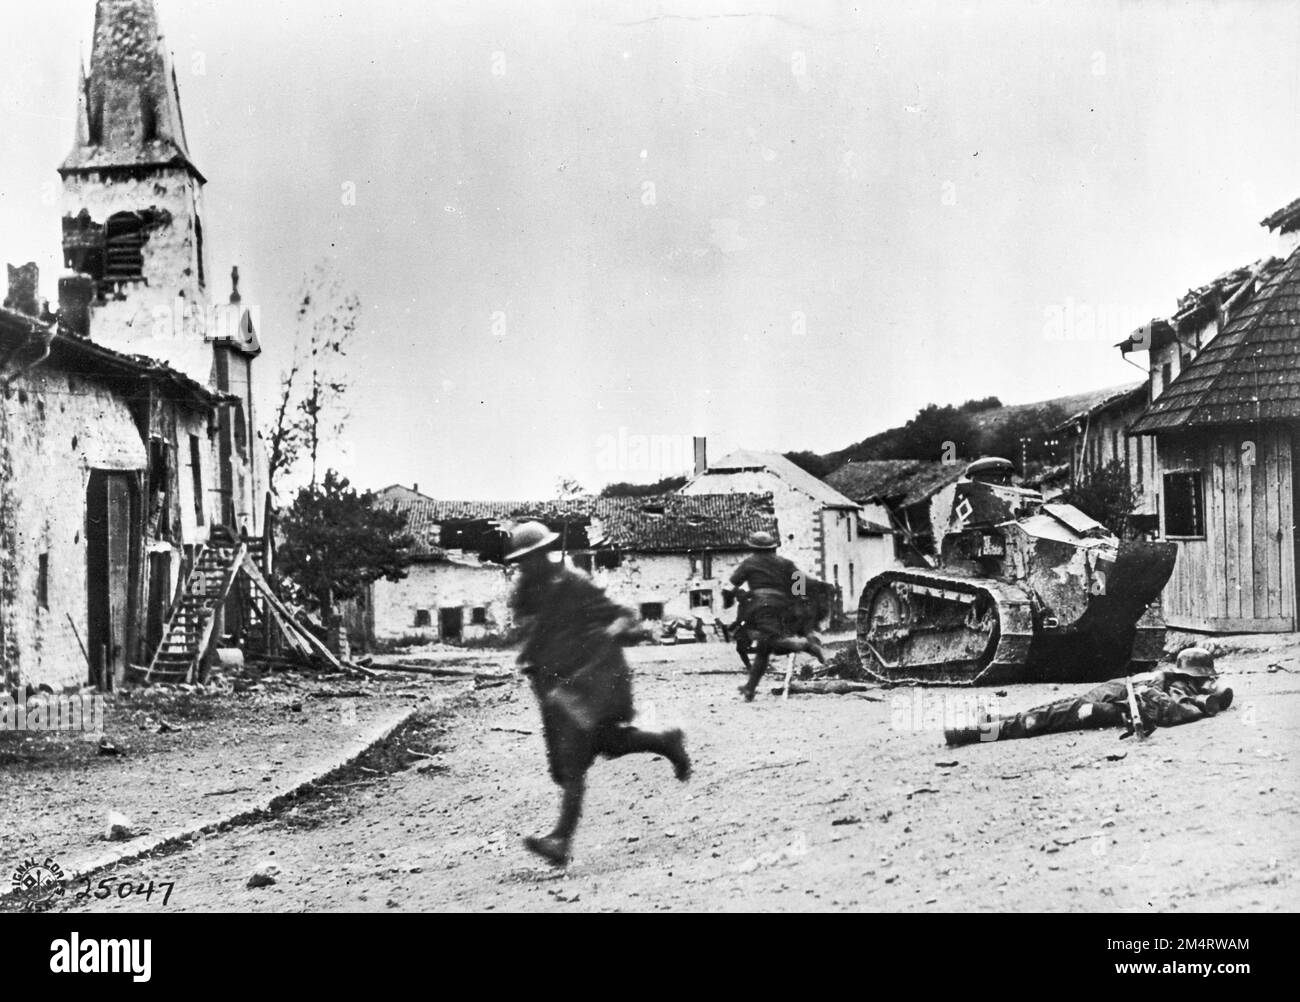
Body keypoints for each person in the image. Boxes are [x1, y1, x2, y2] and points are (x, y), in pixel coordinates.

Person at [506, 522, 691, 866]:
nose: (528, 564)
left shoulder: (574, 582)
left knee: (573, 757)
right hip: (554, 684)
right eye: (523, 559)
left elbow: (622, 616)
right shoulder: (524, 591)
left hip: (592, 676)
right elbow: (528, 632)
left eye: (533, 556)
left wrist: (609, 635)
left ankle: (561, 839)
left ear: (545, 552)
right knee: (603, 744)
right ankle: (665, 740)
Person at [944, 647, 1233, 746]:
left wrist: (1152, 692)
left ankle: (972, 734)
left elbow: (1175, 712)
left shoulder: (1181, 690)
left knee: (1039, 720)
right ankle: (991, 723)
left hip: (1106, 706)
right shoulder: (1171, 681)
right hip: (1104, 695)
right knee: (1048, 711)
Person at [728, 531, 827, 701]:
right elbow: (800, 582)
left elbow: (734, 581)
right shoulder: (785, 563)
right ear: (773, 547)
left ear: (754, 548)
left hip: (761, 606)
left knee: (771, 641)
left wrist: (734, 595)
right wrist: (799, 603)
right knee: (764, 649)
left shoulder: (749, 563)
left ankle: (806, 646)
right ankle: (750, 688)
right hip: (783, 606)